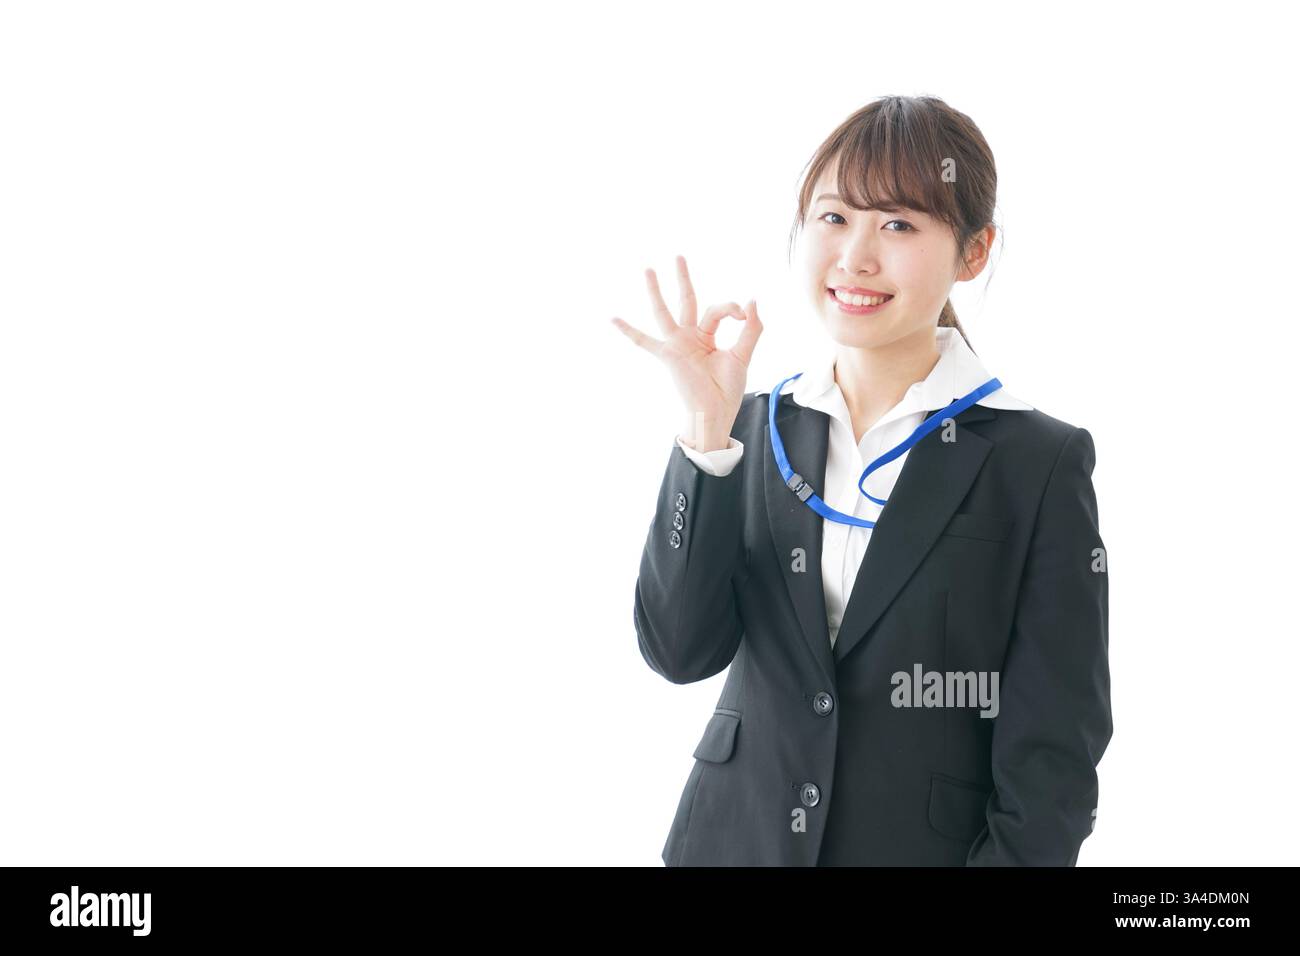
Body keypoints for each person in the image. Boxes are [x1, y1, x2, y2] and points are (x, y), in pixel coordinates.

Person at [611, 95, 1112, 866]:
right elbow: (679, 653)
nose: (856, 257)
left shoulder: (1033, 459)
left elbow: (1053, 753)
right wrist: (706, 438)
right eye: (834, 217)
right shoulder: (753, 428)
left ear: (973, 253)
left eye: (900, 225)